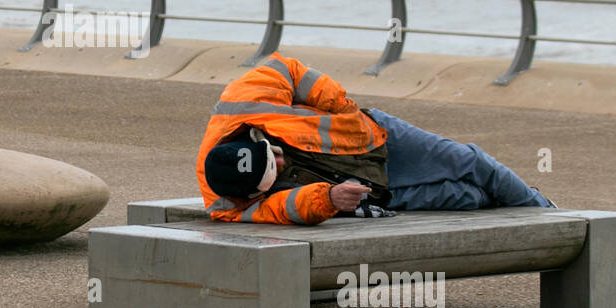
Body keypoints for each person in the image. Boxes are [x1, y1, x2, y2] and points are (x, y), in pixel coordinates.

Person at [196, 52, 554, 225]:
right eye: (272, 174)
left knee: (470, 161)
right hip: (366, 187)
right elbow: (281, 210)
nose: (280, 161)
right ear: (252, 191)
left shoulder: (240, 103)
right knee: (466, 198)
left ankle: (549, 215)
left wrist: (341, 105)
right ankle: (524, 207)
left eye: (270, 152)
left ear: (253, 136)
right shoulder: (226, 205)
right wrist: (328, 198)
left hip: (373, 135)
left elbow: (285, 69)